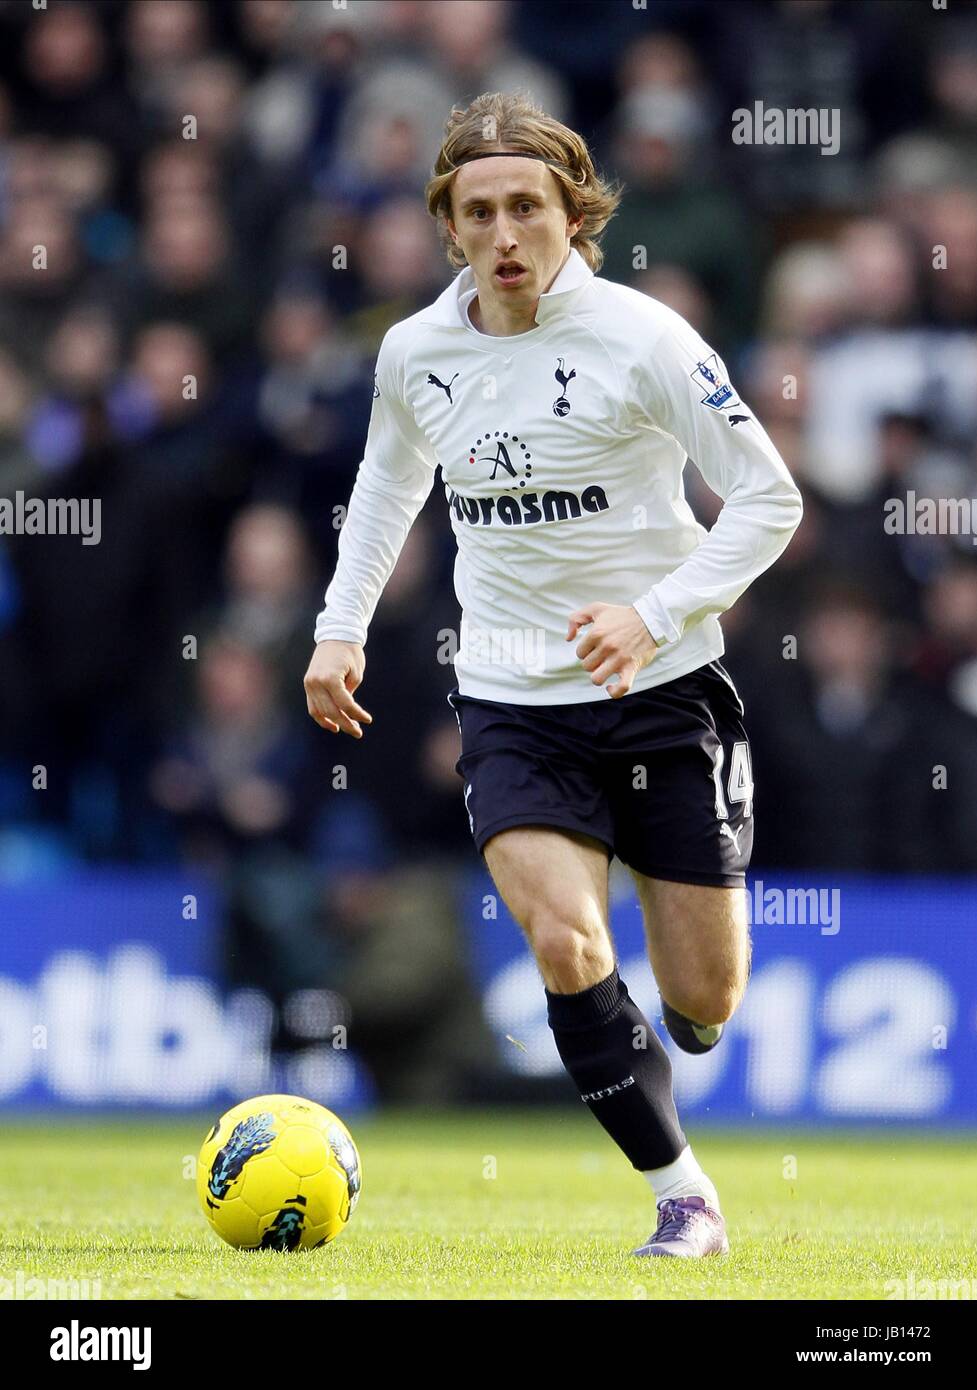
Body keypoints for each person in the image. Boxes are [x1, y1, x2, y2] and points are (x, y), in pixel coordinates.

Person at [303, 92, 803, 1258]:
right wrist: (341, 627)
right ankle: (685, 1199)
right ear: (450, 225)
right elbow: (387, 489)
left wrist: (654, 612)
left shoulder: (646, 337)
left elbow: (771, 497)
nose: (506, 232)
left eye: (528, 206)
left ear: (576, 215)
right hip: (512, 699)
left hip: (664, 687)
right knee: (569, 946)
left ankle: (687, 996)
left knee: (705, 1002)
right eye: (479, 211)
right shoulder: (415, 351)